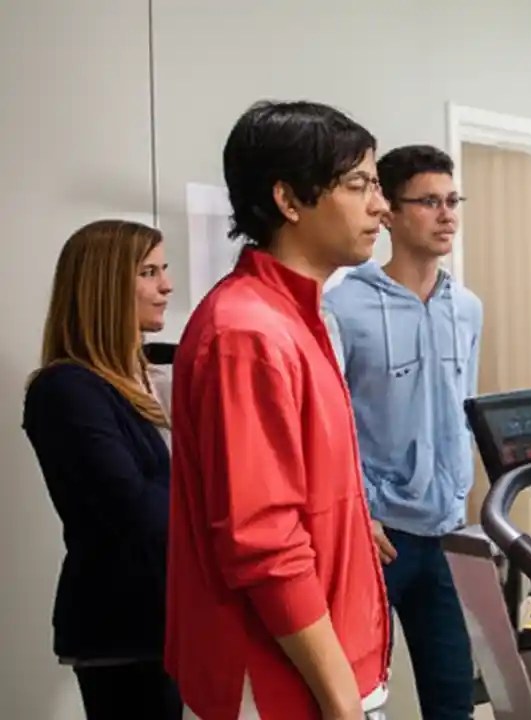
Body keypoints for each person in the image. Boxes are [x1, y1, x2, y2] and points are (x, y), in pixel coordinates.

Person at [165, 100, 392, 720]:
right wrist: (341, 699)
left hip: (326, 669)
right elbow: (264, 543)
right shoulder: (247, 333)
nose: (381, 206)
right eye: (358, 185)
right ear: (290, 200)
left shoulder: (299, 318)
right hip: (278, 685)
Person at [323, 144, 482, 719]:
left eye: (452, 201)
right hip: (377, 536)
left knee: (454, 700)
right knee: (361, 699)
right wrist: (357, 511)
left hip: (447, 532)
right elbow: (330, 424)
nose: (447, 215)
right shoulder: (342, 305)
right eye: (429, 202)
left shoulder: (466, 307)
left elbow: (463, 411)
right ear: (388, 211)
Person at [23, 218, 180, 719]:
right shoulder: (67, 389)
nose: (167, 285)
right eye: (149, 272)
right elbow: (136, 508)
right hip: (127, 626)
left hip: (173, 619)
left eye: (165, 269)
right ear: (107, 285)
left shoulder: (154, 372)